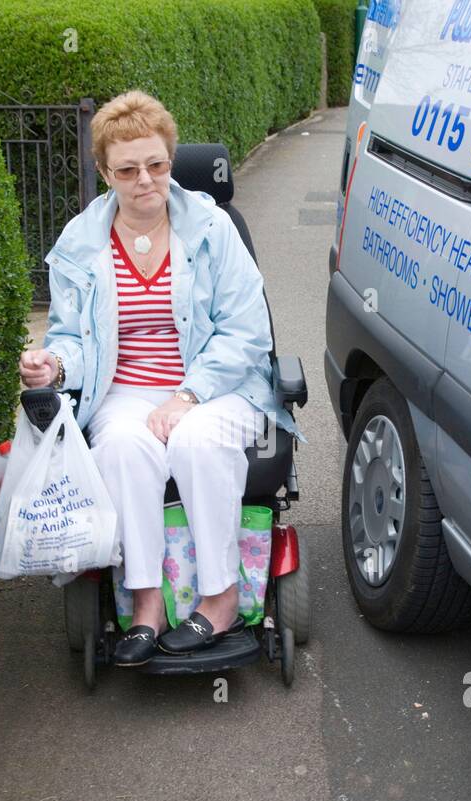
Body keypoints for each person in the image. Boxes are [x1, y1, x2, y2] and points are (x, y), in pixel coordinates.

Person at [19, 89, 305, 667]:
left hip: (218, 385)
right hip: (123, 390)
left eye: (156, 164)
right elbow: (71, 334)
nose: (144, 180)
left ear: (170, 161)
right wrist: (56, 364)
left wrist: (187, 395)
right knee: (123, 446)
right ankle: (145, 602)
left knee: (198, 439)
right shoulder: (81, 243)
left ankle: (220, 597)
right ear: (105, 171)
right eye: (127, 169)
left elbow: (247, 332)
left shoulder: (213, 229)